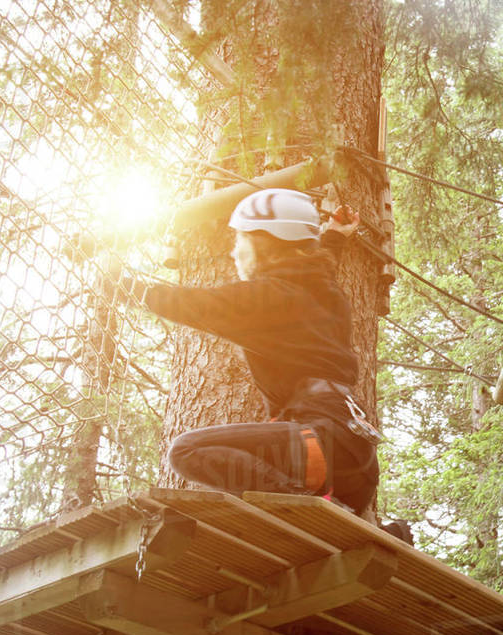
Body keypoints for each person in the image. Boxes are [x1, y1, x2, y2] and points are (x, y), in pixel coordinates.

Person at [120, 188, 380, 515]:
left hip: (319, 447)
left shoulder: (266, 298)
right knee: (210, 451)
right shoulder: (321, 289)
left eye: (240, 242)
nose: (234, 254)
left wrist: (127, 287)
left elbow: (196, 305)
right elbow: (322, 265)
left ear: (263, 244)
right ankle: (341, 510)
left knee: (186, 451)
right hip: (354, 460)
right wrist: (334, 238)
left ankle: (308, 510)